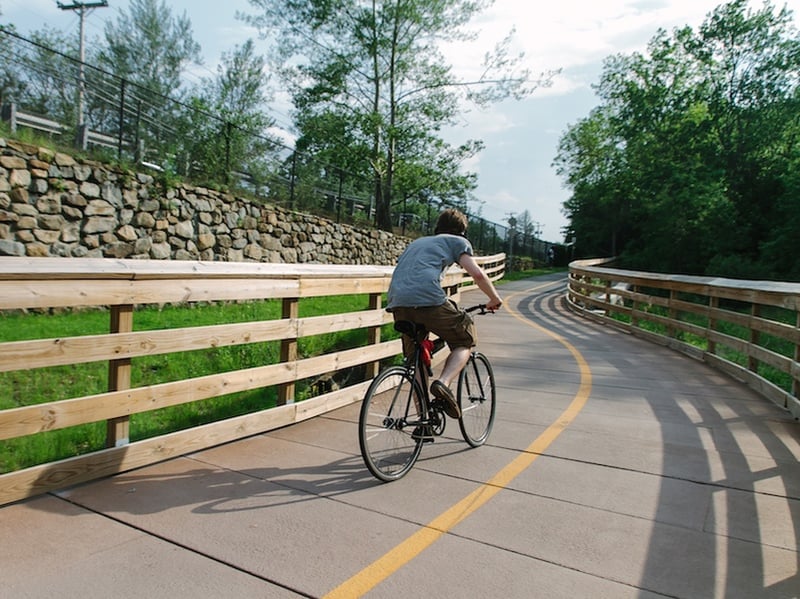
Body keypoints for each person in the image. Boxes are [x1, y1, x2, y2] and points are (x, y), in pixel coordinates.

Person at [386, 208, 503, 419]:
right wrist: (494, 298)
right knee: (464, 339)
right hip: (427, 300)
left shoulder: (418, 242)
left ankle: (424, 418)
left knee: (416, 360)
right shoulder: (457, 242)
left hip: (397, 302)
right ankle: (444, 383)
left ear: (437, 228)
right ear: (462, 232)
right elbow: (476, 273)